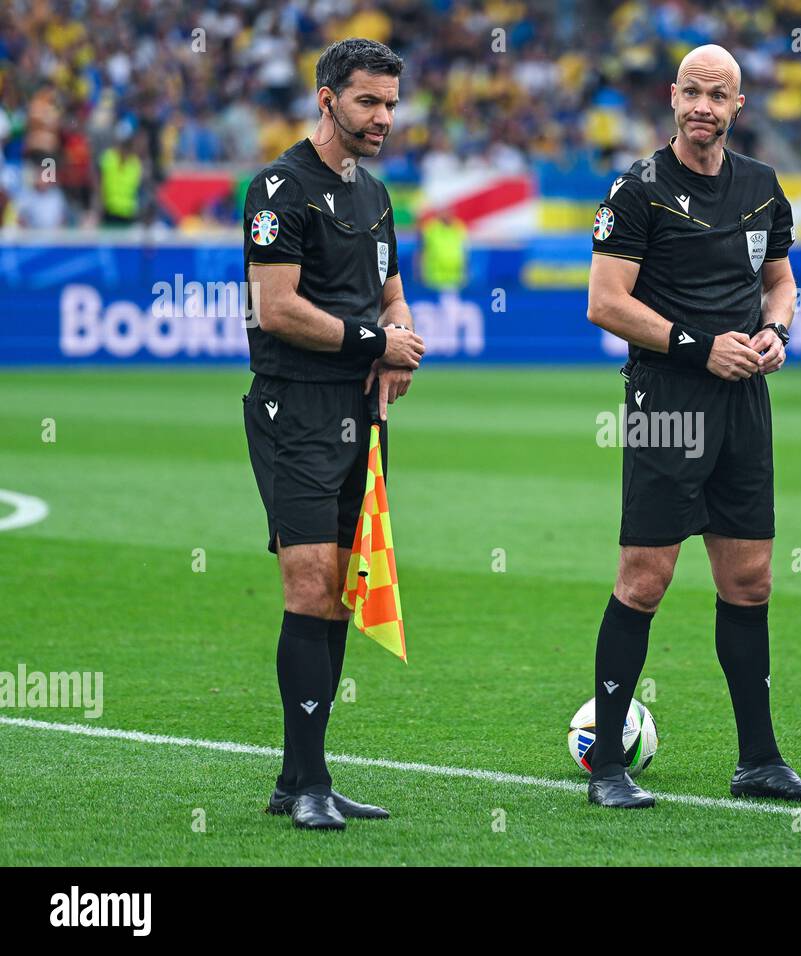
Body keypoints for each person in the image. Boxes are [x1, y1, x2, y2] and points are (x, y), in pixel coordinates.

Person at [583, 44, 801, 809]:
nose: (702, 106)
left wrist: (776, 333)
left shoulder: (761, 186)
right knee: (646, 578)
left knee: (750, 579)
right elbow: (605, 302)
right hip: (667, 400)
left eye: (717, 95)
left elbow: (780, 281)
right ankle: (608, 769)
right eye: (691, 91)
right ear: (672, 97)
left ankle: (758, 761)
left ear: (737, 107)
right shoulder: (636, 189)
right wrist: (700, 345)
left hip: (743, 400)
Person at [242, 37, 426, 829]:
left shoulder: (376, 195)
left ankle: (302, 777)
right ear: (327, 98)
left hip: (362, 413)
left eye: (390, 102)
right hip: (296, 408)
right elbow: (275, 308)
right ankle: (308, 780)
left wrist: (402, 339)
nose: (383, 116)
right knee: (310, 583)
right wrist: (372, 343)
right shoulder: (278, 188)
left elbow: (391, 296)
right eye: (368, 102)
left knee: (342, 593)